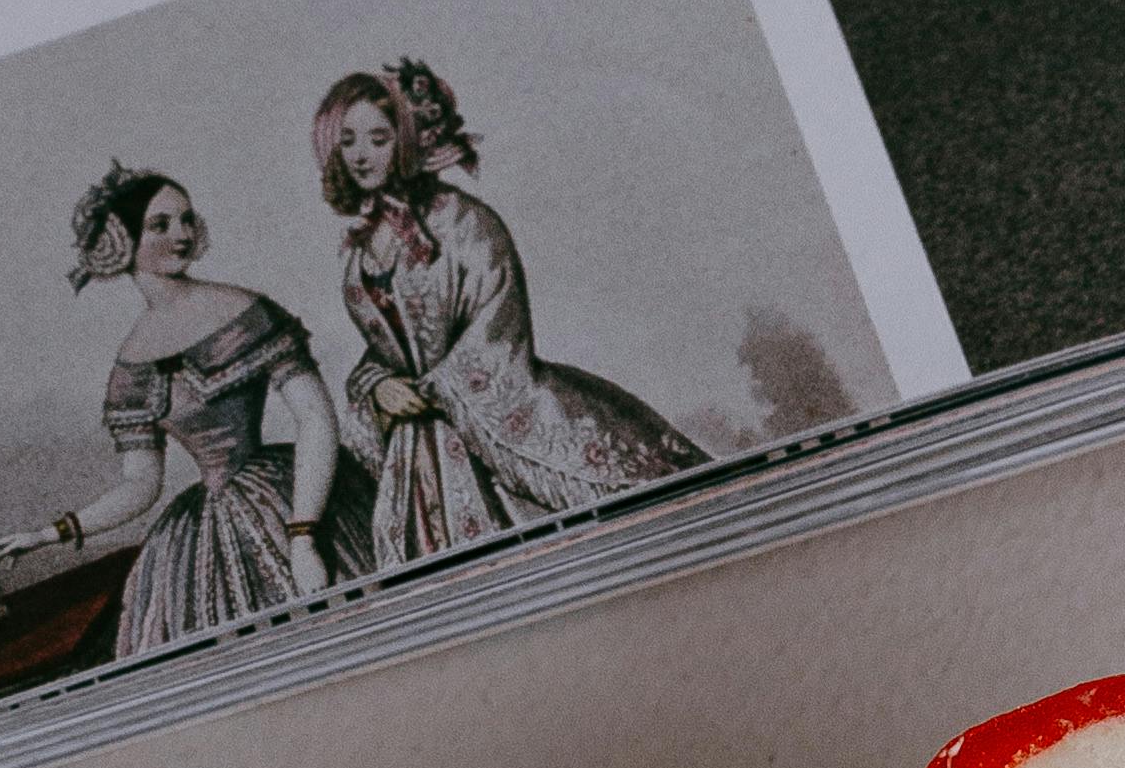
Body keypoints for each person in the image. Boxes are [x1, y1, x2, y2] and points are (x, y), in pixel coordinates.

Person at [311, 60, 698, 557]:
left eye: (378, 139)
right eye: (348, 141)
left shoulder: (465, 223)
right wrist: (378, 386)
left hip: (485, 428)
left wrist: (430, 390)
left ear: (407, 140)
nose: (361, 156)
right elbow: (386, 350)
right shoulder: (361, 248)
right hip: (414, 447)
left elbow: (498, 332)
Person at [50, 161, 358, 659]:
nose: (182, 235)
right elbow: (140, 484)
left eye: (187, 220)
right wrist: (52, 531)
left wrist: (303, 534)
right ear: (121, 241)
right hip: (201, 530)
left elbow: (316, 419)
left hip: (287, 498)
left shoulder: (244, 311)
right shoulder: (130, 363)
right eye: (161, 225)